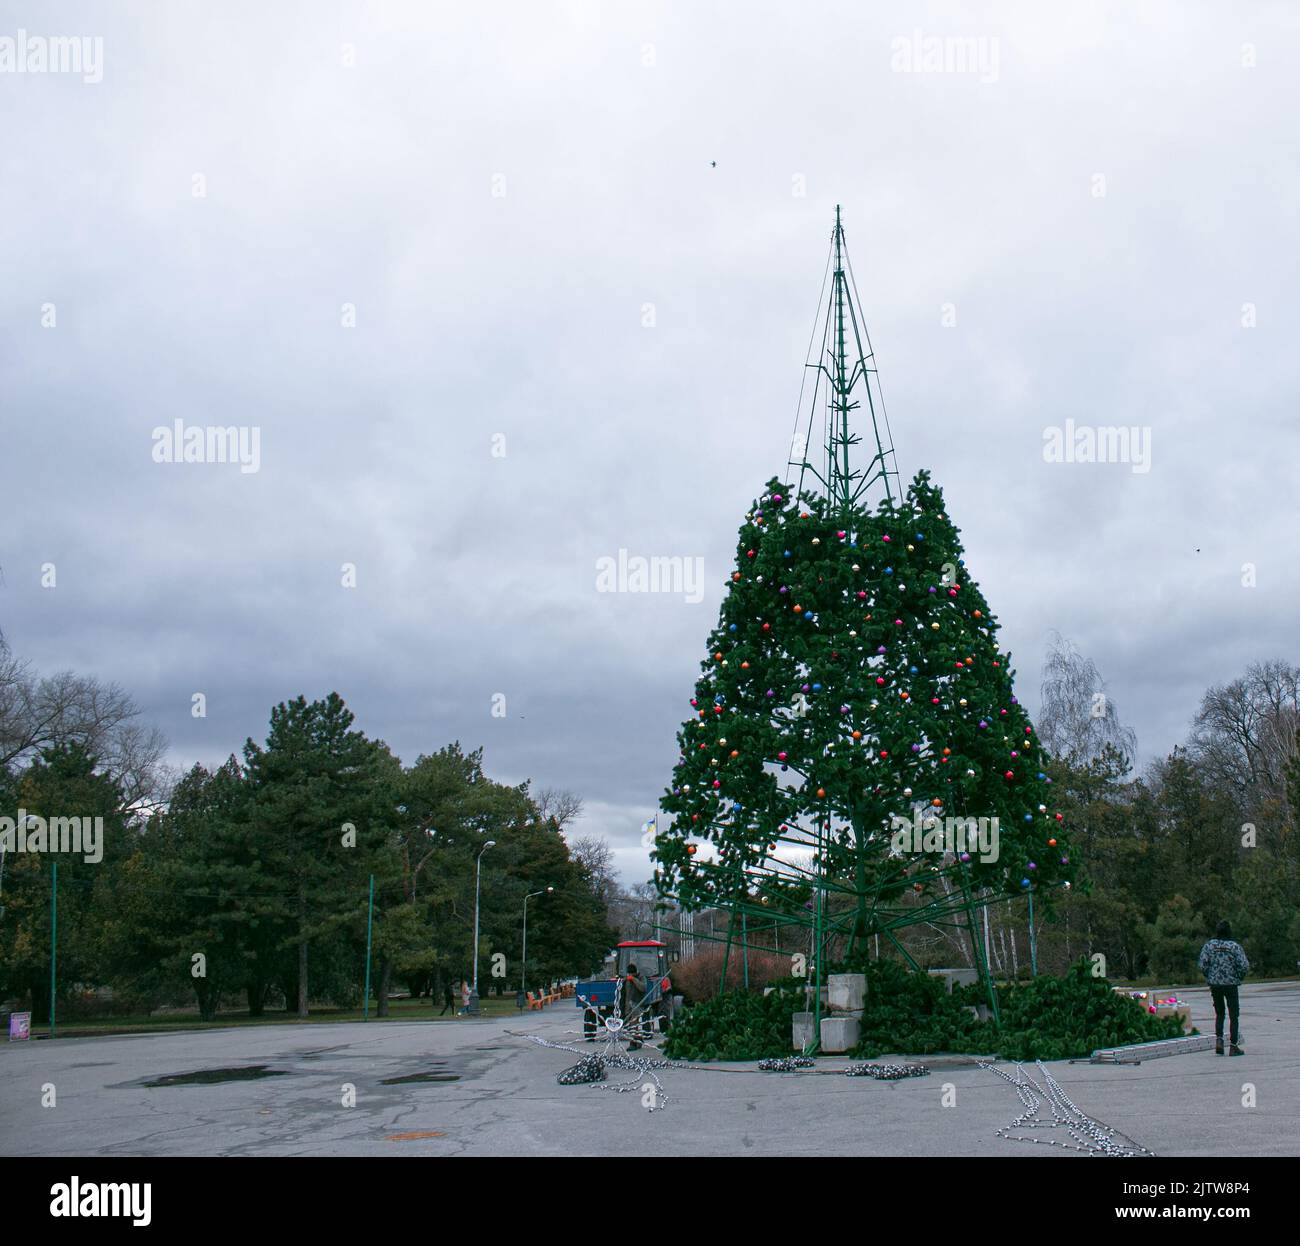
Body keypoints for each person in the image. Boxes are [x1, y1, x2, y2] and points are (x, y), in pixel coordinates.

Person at [1197, 920, 1249, 1056]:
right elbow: (1244, 965)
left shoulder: (1209, 946)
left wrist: (1209, 976)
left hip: (1215, 984)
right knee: (1234, 1015)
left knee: (1219, 1013)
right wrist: (1238, 976)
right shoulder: (1234, 946)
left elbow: (1202, 964)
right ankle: (1233, 1046)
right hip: (1231, 984)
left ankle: (1219, 1040)